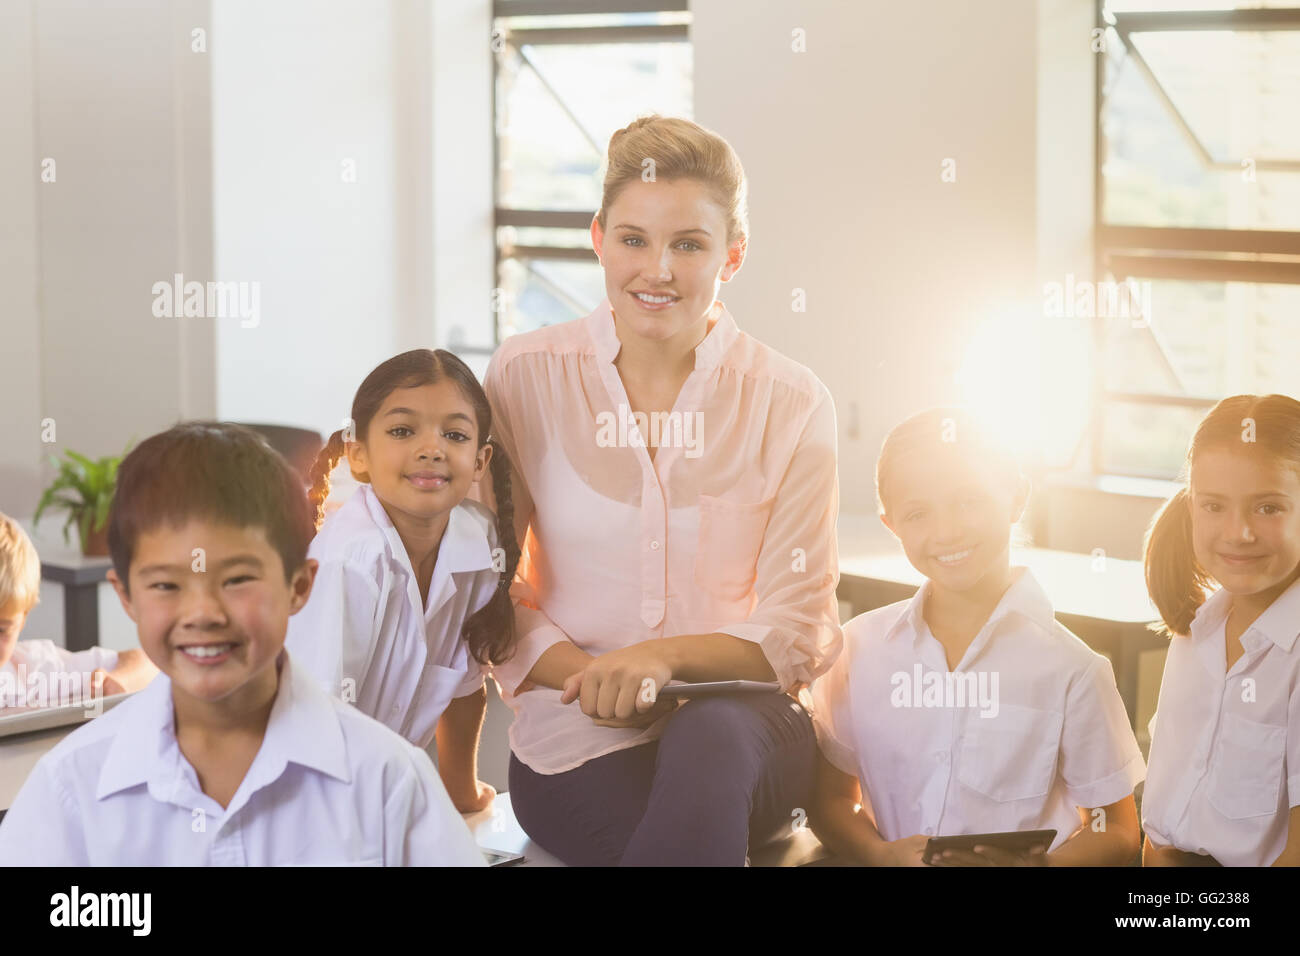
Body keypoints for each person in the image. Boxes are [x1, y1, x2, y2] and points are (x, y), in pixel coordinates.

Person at [483, 115, 842, 866]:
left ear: (732, 257)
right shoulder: (523, 378)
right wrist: (591, 677)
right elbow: (492, 592)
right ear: (598, 239)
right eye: (634, 240)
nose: (658, 270)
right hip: (575, 736)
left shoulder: (792, 402)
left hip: (743, 734)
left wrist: (663, 660)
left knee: (709, 734)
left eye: (689, 244)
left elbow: (797, 626)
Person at [0, 422, 484, 866]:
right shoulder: (72, 788)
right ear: (126, 597)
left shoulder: (388, 782)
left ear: (298, 586)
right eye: (166, 586)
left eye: (238, 580)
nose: (205, 613)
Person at [810, 409, 1144, 866]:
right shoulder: (858, 649)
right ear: (892, 526)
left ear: (1016, 498)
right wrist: (877, 854)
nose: (946, 531)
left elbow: (1119, 830)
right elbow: (830, 801)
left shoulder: (1075, 670)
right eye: (918, 513)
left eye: (968, 501)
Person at [289, 349, 517, 813]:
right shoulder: (352, 562)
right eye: (402, 430)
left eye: (454, 434)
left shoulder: (478, 540)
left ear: (479, 460)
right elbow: (314, 722)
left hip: (375, 798)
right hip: (301, 796)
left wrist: (461, 794)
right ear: (358, 455)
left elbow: (462, 684)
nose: (431, 449)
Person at [1142, 393, 1300, 867]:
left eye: (1268, 508)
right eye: (1213, 506)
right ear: (1191, 507)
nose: (1238, 533)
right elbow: (1164, 817)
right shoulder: (1197, 631)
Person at [0, 511, 155, 709]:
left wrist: (118, 680)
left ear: (22, 620)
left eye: (1, 630)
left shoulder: (31, 668)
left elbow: (147, 665)